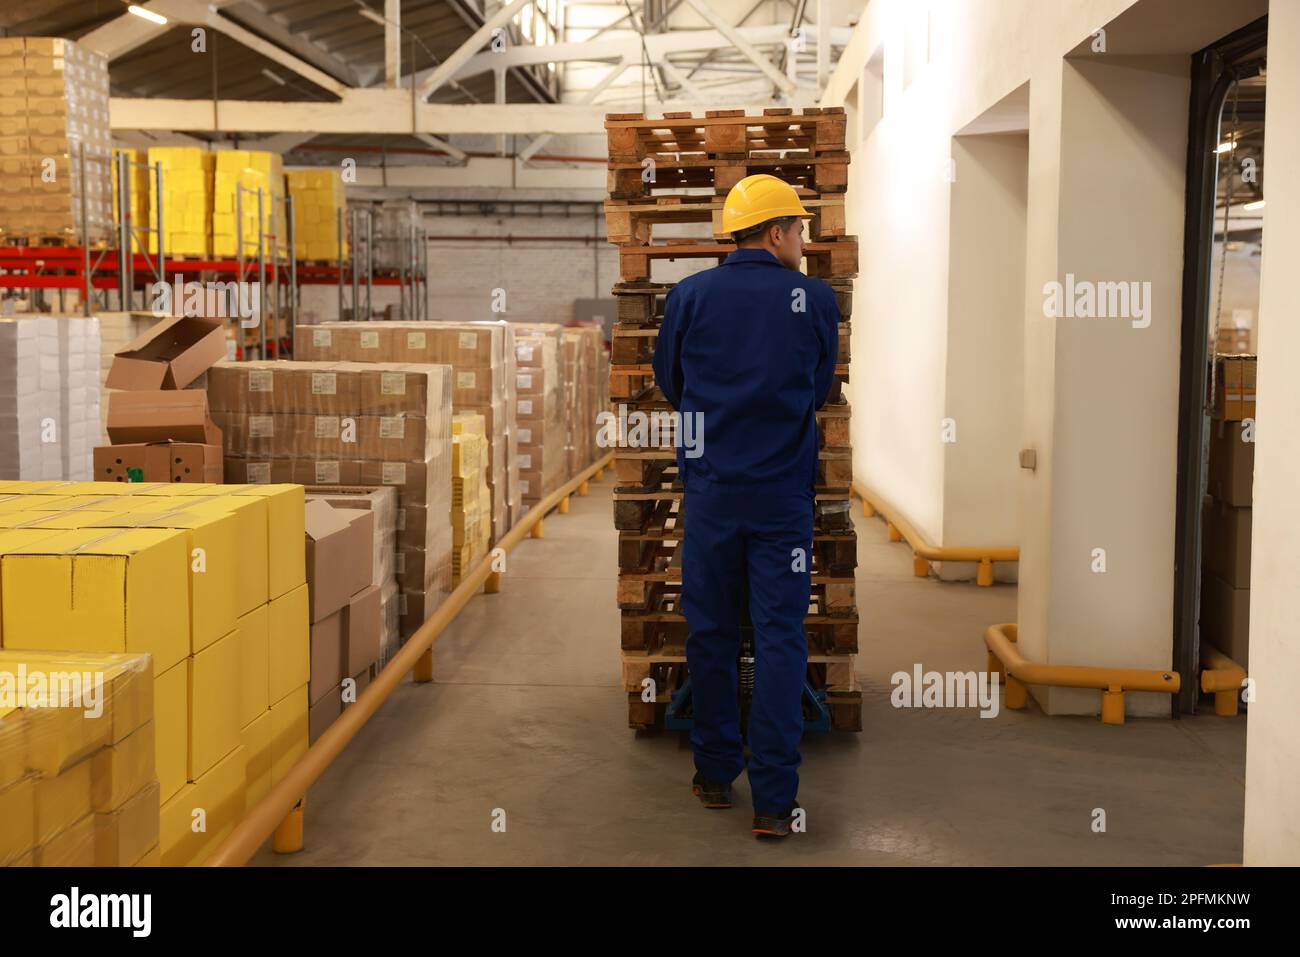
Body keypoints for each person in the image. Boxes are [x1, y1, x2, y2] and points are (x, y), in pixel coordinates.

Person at [652, 174, 841, 838]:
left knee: (712, 632)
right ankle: (773, 799)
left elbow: (671, 381)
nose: (802, 243)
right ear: (776, 232)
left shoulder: (690, 296)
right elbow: (819, 387)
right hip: (781, 501)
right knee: (781, 635)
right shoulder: (814, 301)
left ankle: (712, 774)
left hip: (711, 496)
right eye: (799, 231)